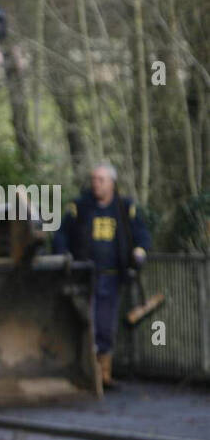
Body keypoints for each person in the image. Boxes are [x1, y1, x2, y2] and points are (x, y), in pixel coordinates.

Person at [51, 162, 152, 387]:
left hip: (113, 277)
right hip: (84, 276)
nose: (95, 184)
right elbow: (61, 235)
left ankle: (103, 373)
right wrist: (64, 255)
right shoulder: (80, 207)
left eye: (101, 180)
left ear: (112, 183)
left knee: (106, 324)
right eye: (94, 179)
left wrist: (140, 250)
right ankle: (85, 372)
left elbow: (142, 234)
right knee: (86, 322)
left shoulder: (125, 208)